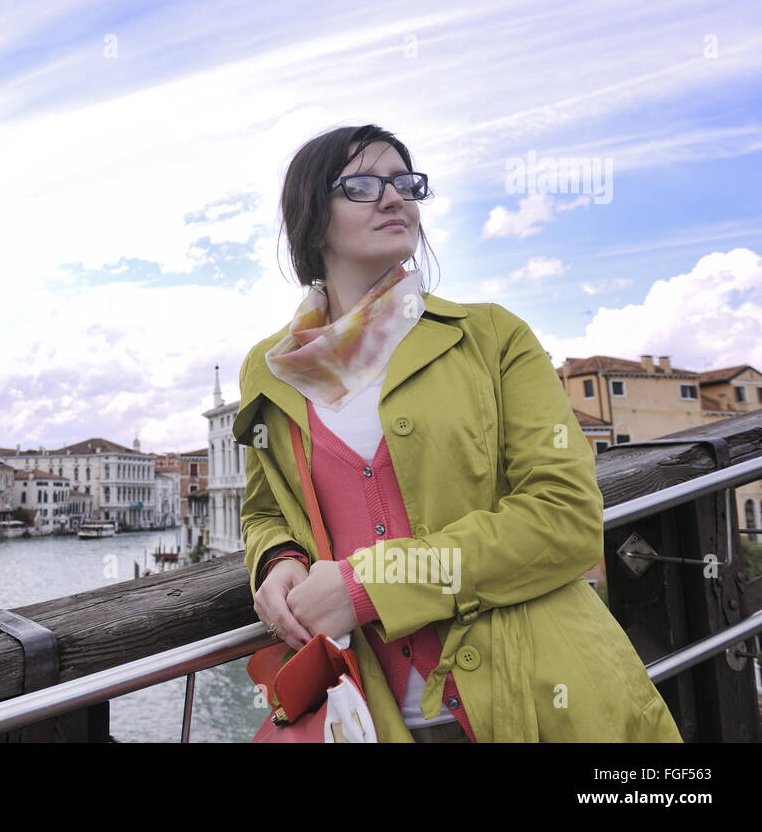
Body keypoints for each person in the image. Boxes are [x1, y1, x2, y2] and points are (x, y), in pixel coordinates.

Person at [232, 124, 682, 742]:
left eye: (404, 183)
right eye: (361, 185)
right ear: (310, 218)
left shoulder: (493, 337)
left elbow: (567, 518)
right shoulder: (270, 368)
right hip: (370, 712)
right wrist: (277, 560)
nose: (394, 198)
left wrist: (368, 588)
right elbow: (264, 510)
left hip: (545, 698)